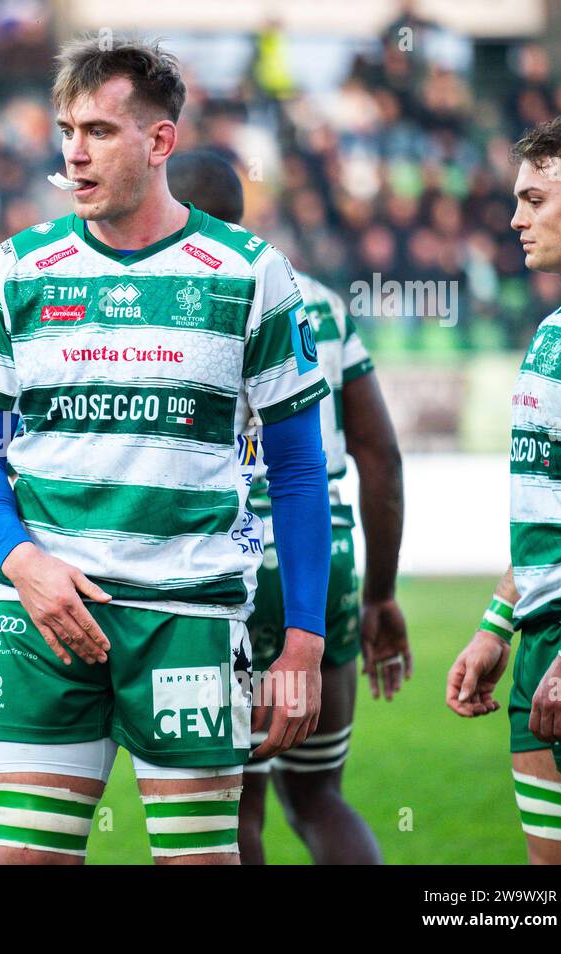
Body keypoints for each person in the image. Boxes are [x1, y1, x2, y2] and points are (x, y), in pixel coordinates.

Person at [0, 36, 333, 865]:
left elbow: (300, 469)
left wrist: (303, 640)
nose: (73, 154)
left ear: (159, 142)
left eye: (97, 132)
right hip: (44, 618)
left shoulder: (249, 273)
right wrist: (23, 564)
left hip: (187, 619)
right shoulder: (17, 269)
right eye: (64, 131)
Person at [167, 150, 409, 864]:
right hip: (317, 551)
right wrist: (381, 595)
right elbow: (381, 457)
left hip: (218, 548)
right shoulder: (318, 300)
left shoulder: (166, 291)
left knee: (233, 809)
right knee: (317, 795)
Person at [447, 112, 561, 863]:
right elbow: (555, 502)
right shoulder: (554, 327)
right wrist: (495, 624)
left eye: (534, 199)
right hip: (547, 635)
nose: (515, 218)